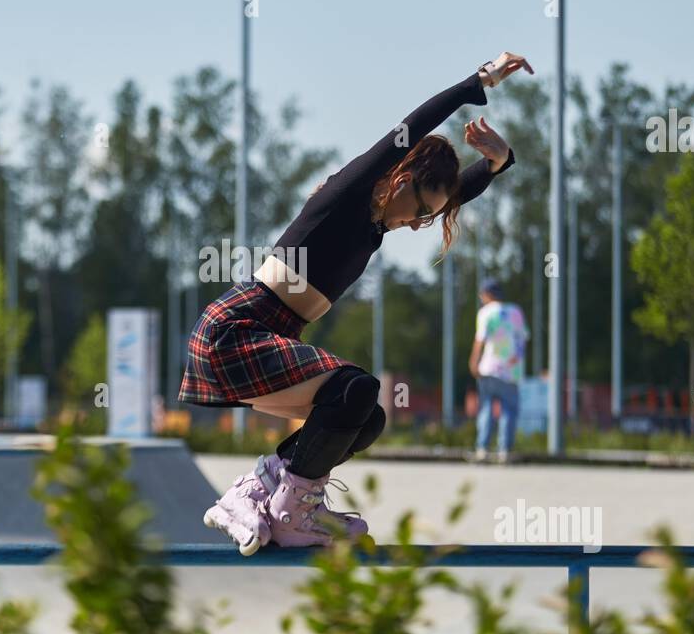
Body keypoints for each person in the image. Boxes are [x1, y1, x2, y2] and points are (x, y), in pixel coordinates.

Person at [178, 51, 533, 554]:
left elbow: (455, 196)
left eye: (428, 218)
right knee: (356, 387)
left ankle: (260, 490)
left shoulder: (375, 227)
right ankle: (288, 509)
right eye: (418, 209)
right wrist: (480, 81)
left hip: (265, 338)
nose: (416, 223)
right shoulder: (347, 194)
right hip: (236, 330)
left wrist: (498, 162)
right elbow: (412, 125)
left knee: (365, 418)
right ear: (399, 179)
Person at [469, 277, 528, 462]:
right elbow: (523, 339)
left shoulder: (486, 312)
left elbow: (480, 339)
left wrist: (473, 362)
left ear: (487, 294)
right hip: (512, 371)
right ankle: (504, 451)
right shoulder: (516, 311)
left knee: (486, 408)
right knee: (509, 411)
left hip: (489, 368)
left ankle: (483, 449)